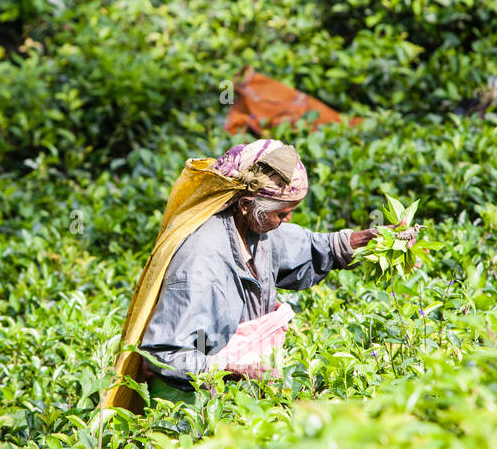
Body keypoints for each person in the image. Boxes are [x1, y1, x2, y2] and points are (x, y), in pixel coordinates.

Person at [101, 139, 417, 414]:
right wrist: (227, 364)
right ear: (247, 205)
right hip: (184, 403)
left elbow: (310, 248)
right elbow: (165, 354)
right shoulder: (201, 264)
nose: (287, 219)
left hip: (229, 394)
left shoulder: (256, 231)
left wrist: (370, 240)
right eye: (282, 213)